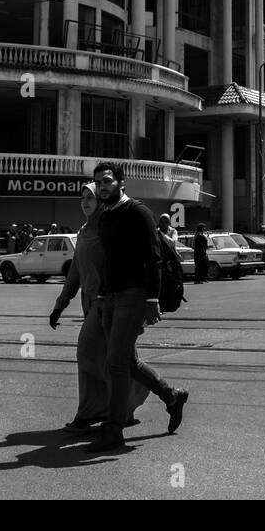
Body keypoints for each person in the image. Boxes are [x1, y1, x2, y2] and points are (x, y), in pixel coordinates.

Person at [86, 161, 189, 454]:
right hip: (112, 297)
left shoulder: (138, 213)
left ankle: (113, 430)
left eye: (106, 181)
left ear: (120, 182)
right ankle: (172, 396)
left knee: (116, 363)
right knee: (127, 362)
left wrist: (153, 300)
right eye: (98, 182)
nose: (102, 187)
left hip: (135, 295)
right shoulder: (105, 217)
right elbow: (108, 261)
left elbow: (154, 258)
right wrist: (103, 296)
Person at [50, 182, 149, 433]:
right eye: (82, 198)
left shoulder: (111, 229)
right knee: (121, 361)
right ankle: (163, 396)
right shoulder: (84, 231)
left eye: (90, 198)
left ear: (101, 202)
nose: (85, 202)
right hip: (92, 304)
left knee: (87, 353)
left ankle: (89, 414)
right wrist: (60, 305)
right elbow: (75, 271)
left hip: (112, 303)